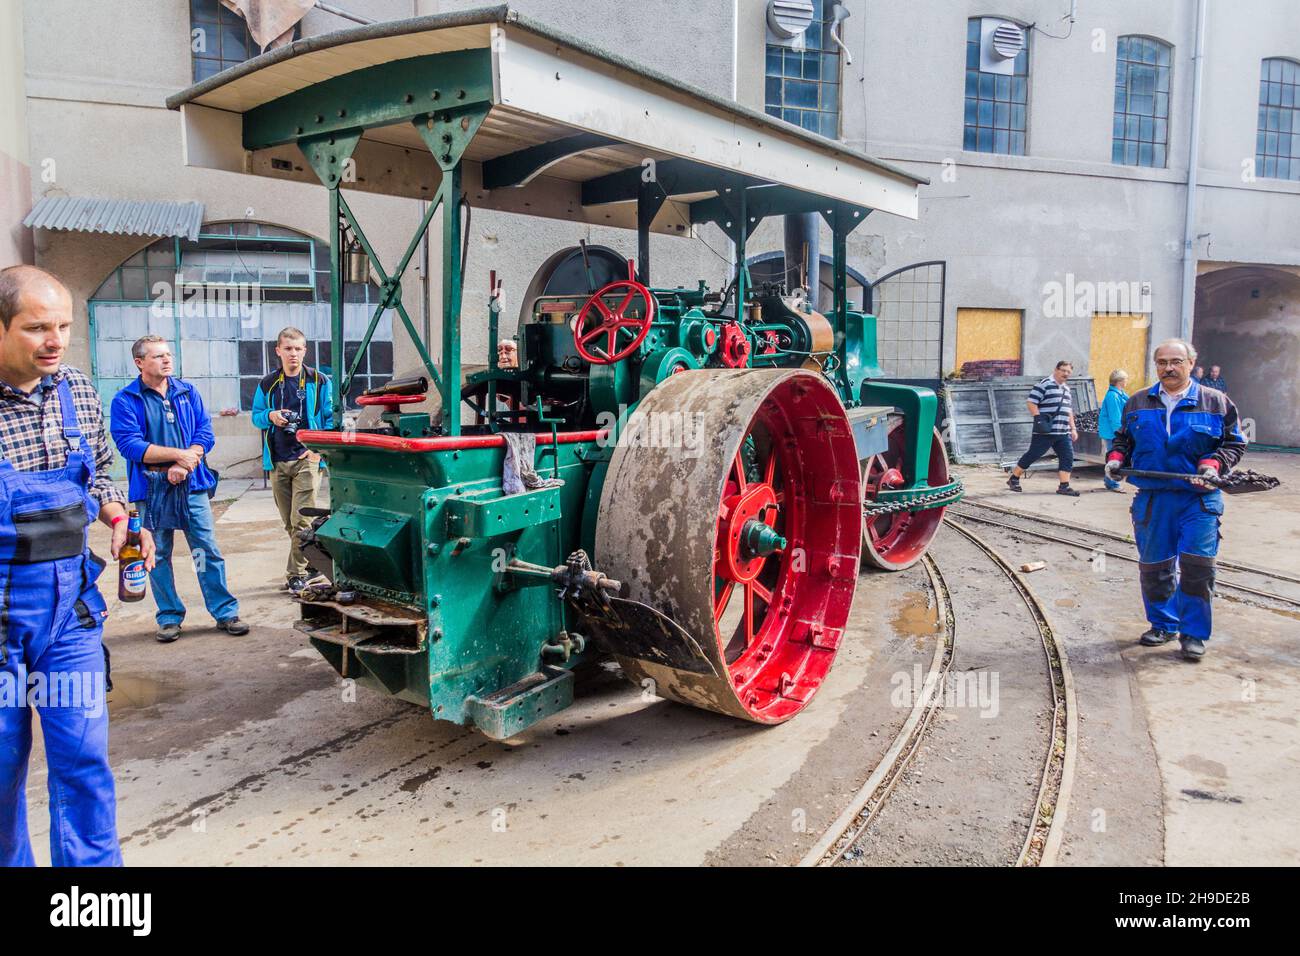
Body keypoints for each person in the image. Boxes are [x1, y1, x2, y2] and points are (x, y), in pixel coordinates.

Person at [0, 265, 155, 866]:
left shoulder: (77, 390)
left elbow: (99, 474)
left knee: (84, 763)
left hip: (69, 614)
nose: (56, 340)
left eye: (63, 325)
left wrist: (116, 516)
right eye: (37, 327)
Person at [1105, 339, 1245, 662]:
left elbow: (1235, 443)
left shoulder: (1216, 402)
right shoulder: (1137, 402)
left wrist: (1214, 464)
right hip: (1153, 498)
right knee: (1155, 566)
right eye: (1162, 362)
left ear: (1191, 363)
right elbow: (1122, 439)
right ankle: (1163, 623)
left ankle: (1193, 634)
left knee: (1198, 567)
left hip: (1198, 499)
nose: (1169, 368)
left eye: (1176, 361)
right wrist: (1115, 458)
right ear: (1156, 366)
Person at [109, 336, 248, 643]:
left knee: (206, 549)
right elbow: (130, 445)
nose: (167, 360)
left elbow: (205, 433)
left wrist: (185, 464)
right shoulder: (125, 400)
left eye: (168, 354)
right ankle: (170, 616)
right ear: (140, 363)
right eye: (158, 356)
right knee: (156, 554)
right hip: (151, 490)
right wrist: (176, 455)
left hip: (192, 485)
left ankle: (225, 611)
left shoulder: (187, 392)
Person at [250, 327, 333, 594]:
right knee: (290, 523)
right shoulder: (268, 383)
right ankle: (315, 560)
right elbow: (256, 416)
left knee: (301, 522)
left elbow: (331, 418)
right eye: (288, 348)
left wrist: (319, 452)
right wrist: (271, 416)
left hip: (307, 457)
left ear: (305, 351)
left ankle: (295, 575)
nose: (293, 353)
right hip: (276, 459)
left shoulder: (319, 381)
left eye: (298, 348)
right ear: (278, 351)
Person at [1007, 360, 1080, 496]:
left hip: (1063, 431)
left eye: (1068, 372)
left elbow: (1068, 409)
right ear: (1056, 370)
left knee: (1067, 457)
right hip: (1045, 431)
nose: (1066, 373)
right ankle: (1014, 478)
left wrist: (1073, 428)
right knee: (1033, 455)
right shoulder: (1044, 384)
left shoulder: (1066, 389)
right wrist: (1038, 419)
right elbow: (1031, 402)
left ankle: (1064, 486)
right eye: (1063, 370)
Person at [1097, 368, 1130, 493]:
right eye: (1125, 379)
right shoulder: (1113, 396)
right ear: (1120, 381)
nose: (1127, 381)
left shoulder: (1120, 394)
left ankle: (1109, 481)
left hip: (1115, 432)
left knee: (1114, 455)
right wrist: (1120, 434)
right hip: (1113, 433)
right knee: (1114, 457)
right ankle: (1113, 483)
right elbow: (1115, 417)